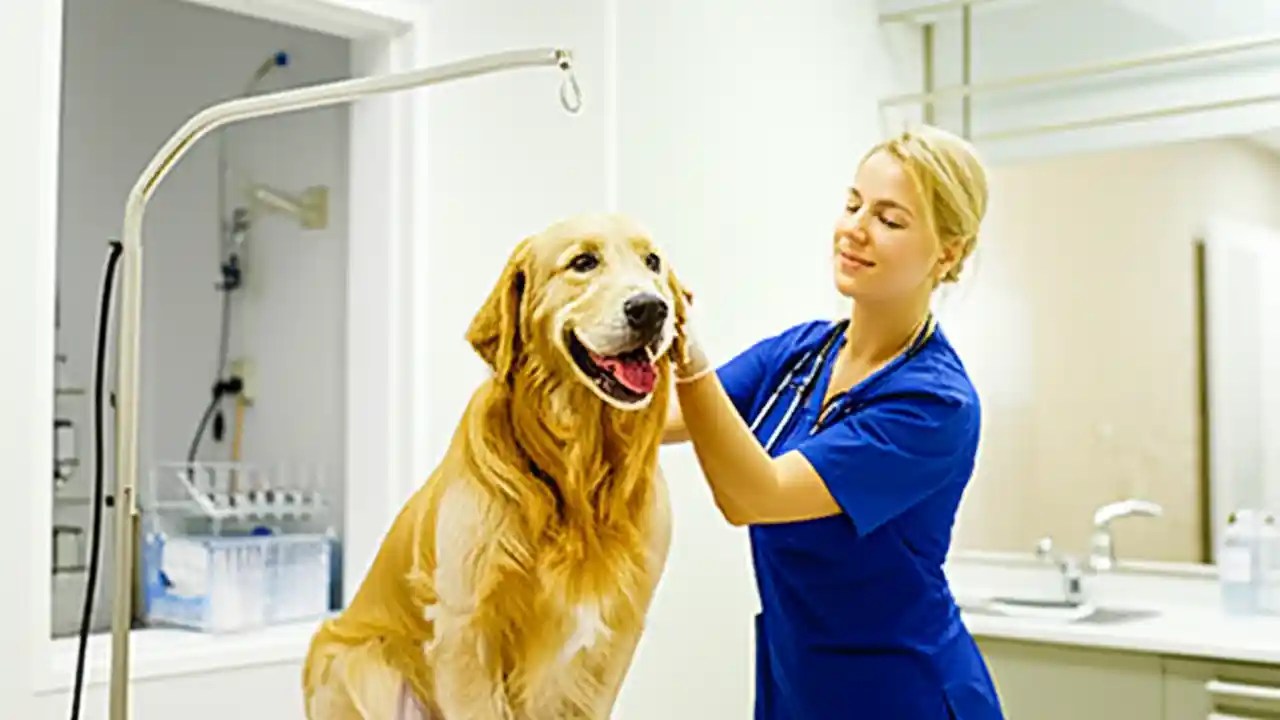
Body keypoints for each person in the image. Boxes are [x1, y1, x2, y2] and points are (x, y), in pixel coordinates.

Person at [665, 124, 1005, 719]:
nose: (855, 228)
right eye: (853, 204)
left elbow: (753, 495)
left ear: (947, 253)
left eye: (889, 219)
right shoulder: (801, 354)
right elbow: (656, 419)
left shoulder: (935, 405)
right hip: (800, 683)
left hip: (902, 695)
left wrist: (688, 353)